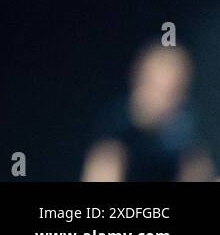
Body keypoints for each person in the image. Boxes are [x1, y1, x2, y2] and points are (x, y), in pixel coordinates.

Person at [83, 43, 215, 181]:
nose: (166, 103)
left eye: (174, 93)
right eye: (159, 91)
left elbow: (199, 173)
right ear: (139, 84)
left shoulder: (185, 132)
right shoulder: (119, 129)